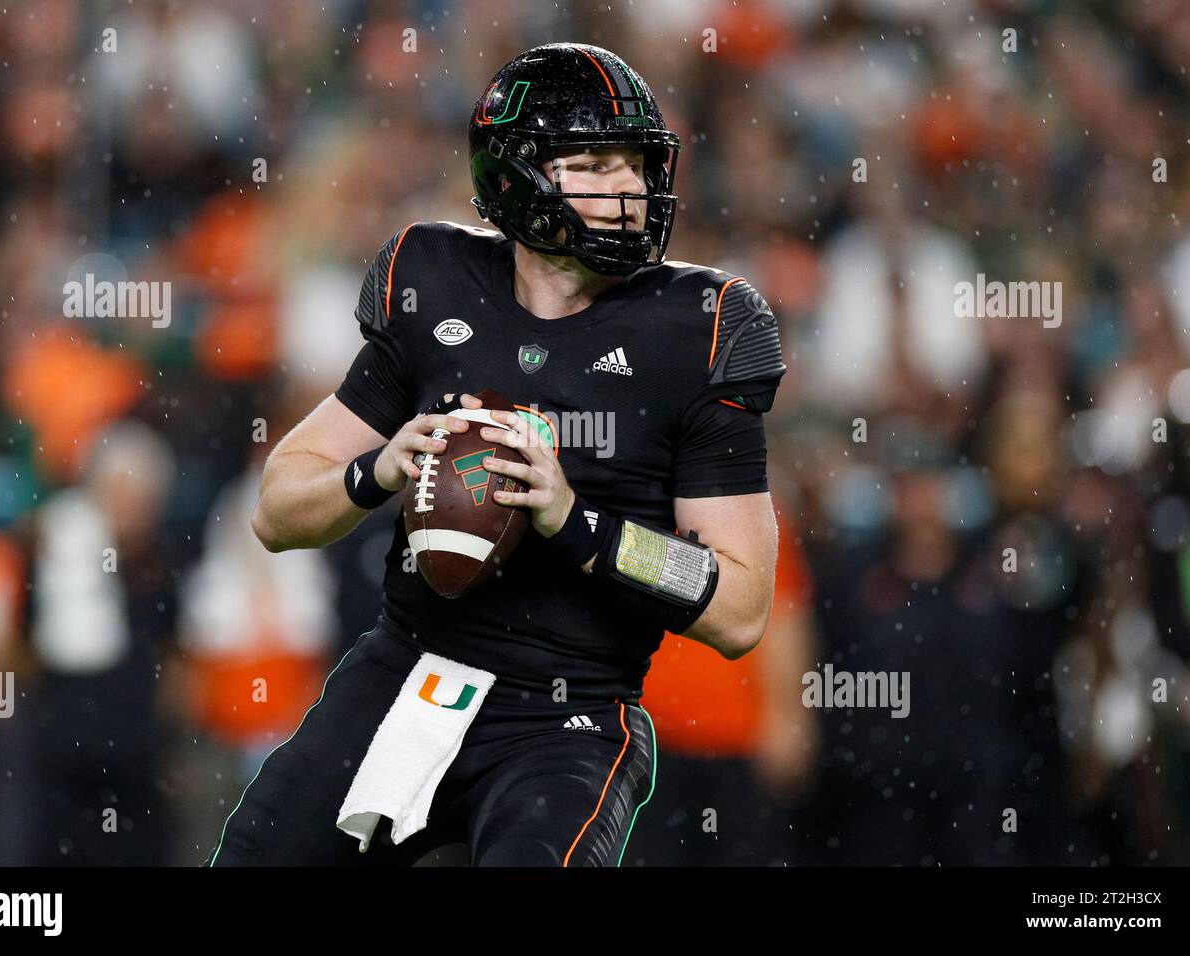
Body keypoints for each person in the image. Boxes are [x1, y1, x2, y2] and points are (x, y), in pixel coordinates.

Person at [208, 42, 786, 867]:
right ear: (517, 177)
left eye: (635, 164)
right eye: (594, 164)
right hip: (408, 670)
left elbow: (741, 610)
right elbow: (275, 513)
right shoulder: (436, 283)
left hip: (568, 715)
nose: (628, 189)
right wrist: (382, 469)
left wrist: (573, 522)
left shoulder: (700, 328)